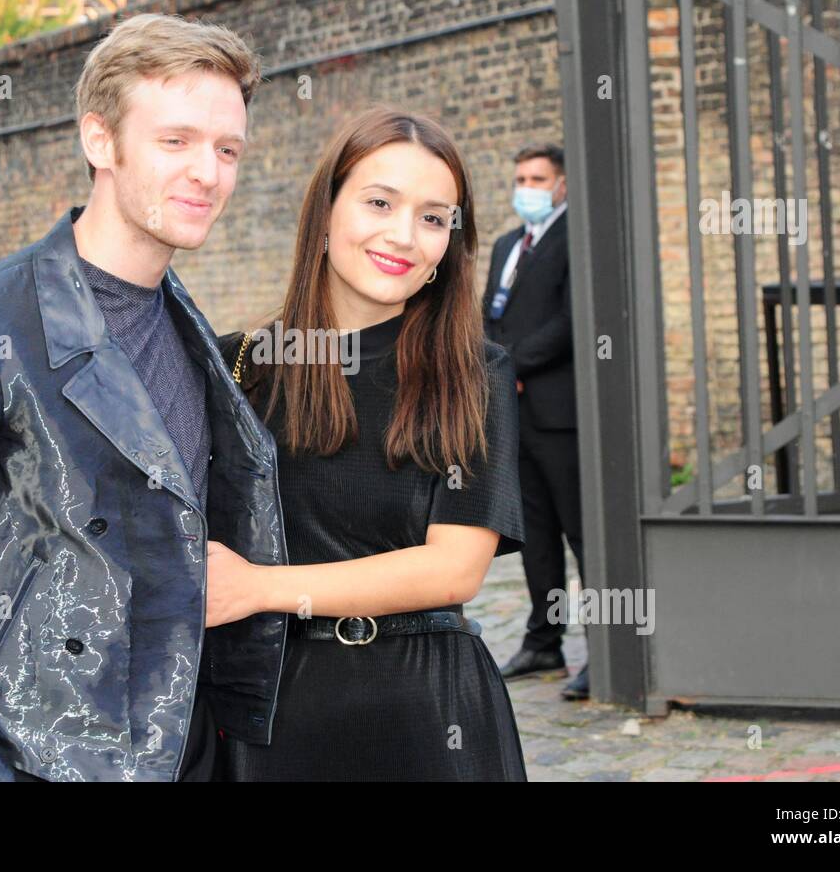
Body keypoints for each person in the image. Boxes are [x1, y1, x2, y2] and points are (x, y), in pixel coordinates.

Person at [0, 12, 290, 781]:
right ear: (99, 141)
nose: (208, 173)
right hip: (41, 758)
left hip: (185, 754)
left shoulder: (190, 329)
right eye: (175, 141)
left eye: (227, 150)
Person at [206, 106, 528, 781]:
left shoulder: (475, 372)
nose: (403, 235)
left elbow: (453, 569)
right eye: (379, 201)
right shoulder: (236, 365)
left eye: (434, 217)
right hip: (271, 718)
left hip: (427, 717)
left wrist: (259, 587)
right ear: (325, 213)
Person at [482, 142, 589, 701]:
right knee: (536, 535)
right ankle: (544, 639)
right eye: (520, 175)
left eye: (538, 177)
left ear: (562, 184)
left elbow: (573, 322)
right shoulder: (506, 245)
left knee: (581, 533)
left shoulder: (576, 239)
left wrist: (510, 363)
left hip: (560, 415)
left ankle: (605, 648)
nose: (526, 186)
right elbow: (487, 316)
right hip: (514, 413)